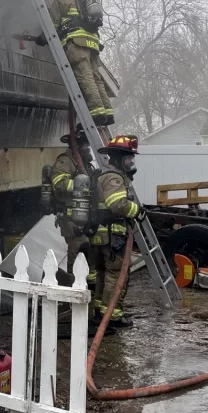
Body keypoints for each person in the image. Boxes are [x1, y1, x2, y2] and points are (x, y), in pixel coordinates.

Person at [40, 0, 114, 126]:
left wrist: (41, 39)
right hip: (93, 43)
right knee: (96, 77)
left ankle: (97, 113)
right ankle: (107, 113)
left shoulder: (60, 0)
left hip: (76, 42)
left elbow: (53, 26)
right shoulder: (82, 0)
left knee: (85, 76)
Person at [89, 135, 143, 328]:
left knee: (103, 274)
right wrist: (137, 210)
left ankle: (100, 312)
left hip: (101, 235)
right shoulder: (113, 177)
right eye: (128, 158)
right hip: (111, 235)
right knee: (116, 274)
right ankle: (112, 316)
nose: (131, 162)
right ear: (118, 158)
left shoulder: (103, 174)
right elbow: (117, 205)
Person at [50, 126, 95, 289]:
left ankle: (87, 283)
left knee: (88, 248)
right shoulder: (66, 160)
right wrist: (80, 186)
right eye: (83, 145)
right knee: (77, 248)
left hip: (83, 214)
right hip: (69, 216)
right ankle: (72, 286)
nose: (86, 148)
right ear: (75, 145)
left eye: (87, 145)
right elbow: (59, 183)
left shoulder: (84, 162)